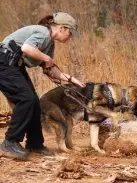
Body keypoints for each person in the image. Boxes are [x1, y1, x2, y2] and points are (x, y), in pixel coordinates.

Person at [0, 12, 85, 159]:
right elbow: (26, 48)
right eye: (70, 33)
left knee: (35, 103)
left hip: (14, 66)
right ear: (62, 28)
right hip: (4, 62)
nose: (70, 37)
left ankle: (35, 144)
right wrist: (45, 58)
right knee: (26, 100)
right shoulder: (43, 32)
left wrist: (70, 79)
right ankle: (10, 142)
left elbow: (49, 69)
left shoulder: (49, 42)